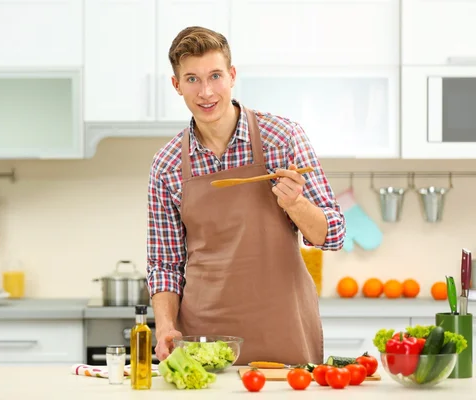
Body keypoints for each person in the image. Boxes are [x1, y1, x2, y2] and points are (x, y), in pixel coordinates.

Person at [145, 26, 346, 366]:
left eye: (215, 76)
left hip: (284, 326)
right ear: (176, 85)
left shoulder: (282, 139)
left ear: (232, 75)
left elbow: (333, 235)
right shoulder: (166, 166)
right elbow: (165, 265)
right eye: (192, 79)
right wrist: (165, 326)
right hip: (204, 337)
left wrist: (295, 204)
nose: (206, 92)